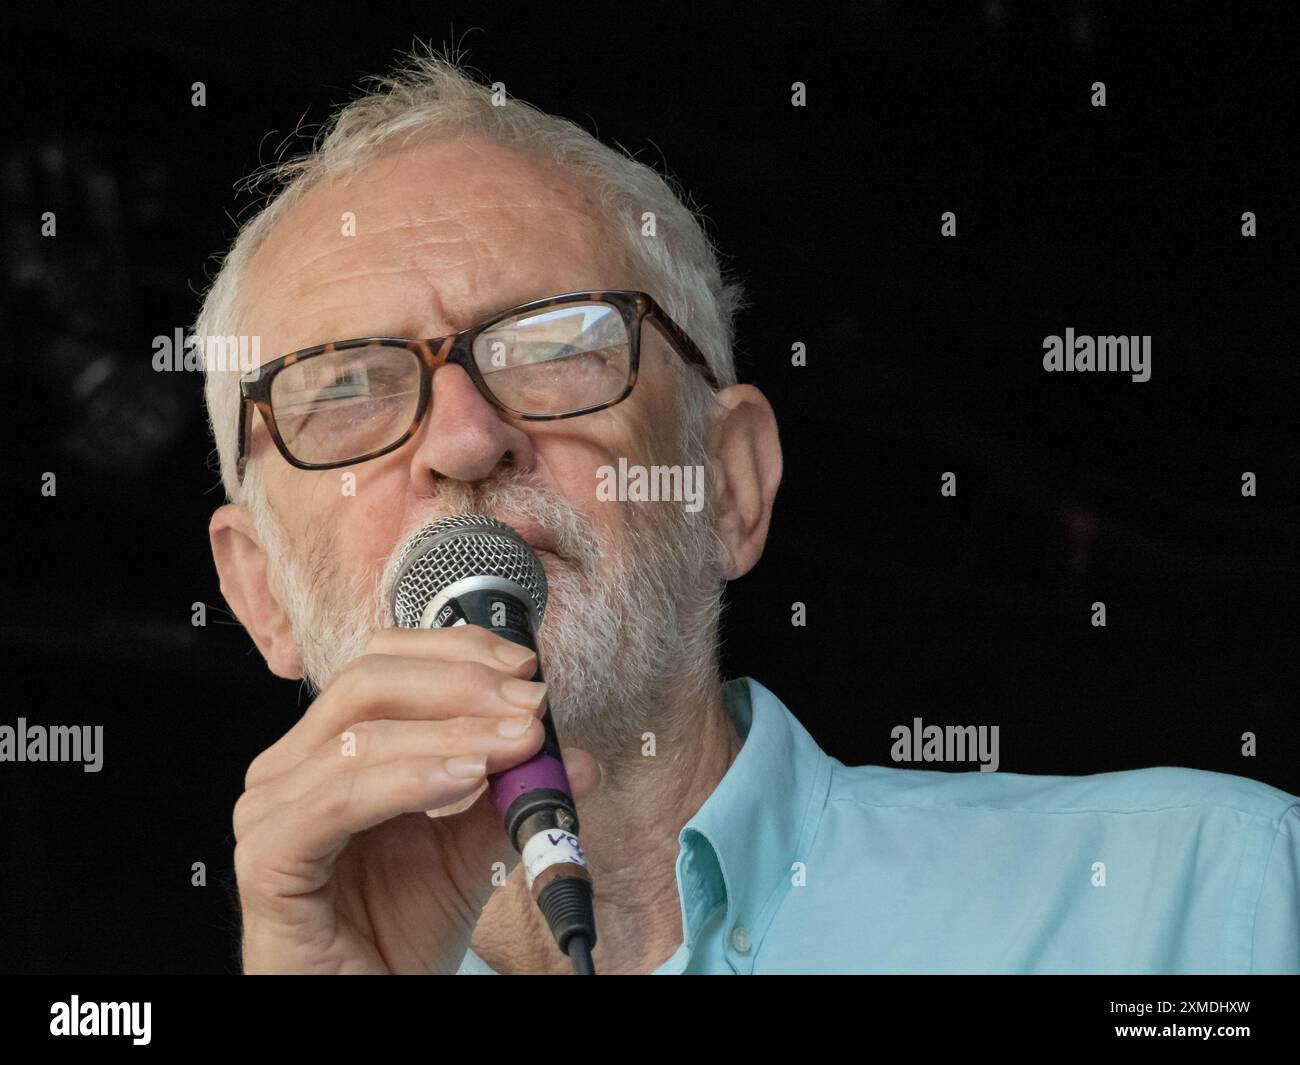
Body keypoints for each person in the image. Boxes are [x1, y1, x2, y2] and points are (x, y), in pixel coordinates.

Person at [201, 49, 1300, 975]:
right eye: (344, 390)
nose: (463, 440)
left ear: (730, 483)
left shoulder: (1209, 900)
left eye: (554, 349)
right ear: (259, 594)